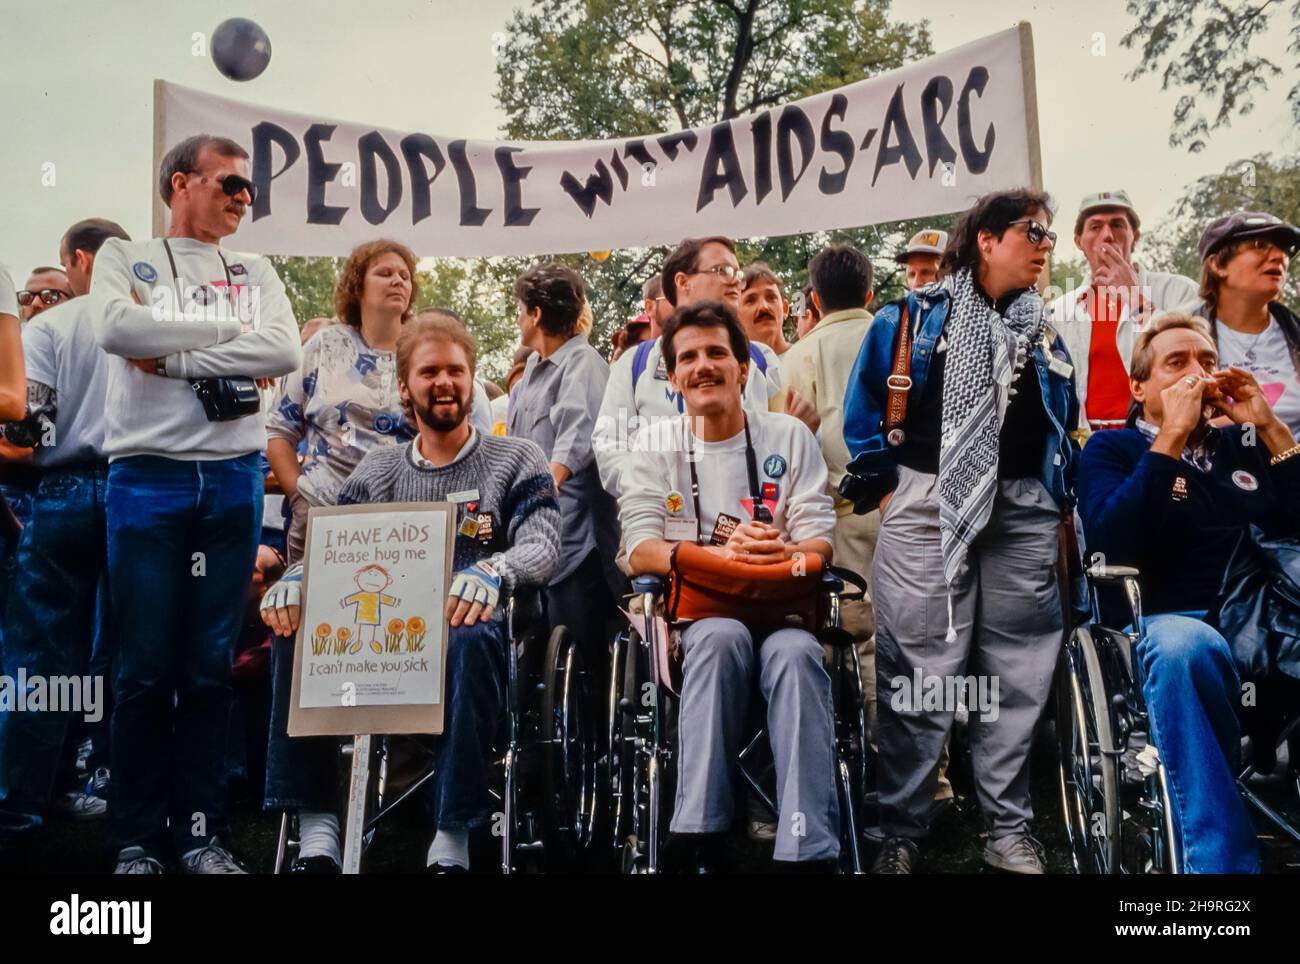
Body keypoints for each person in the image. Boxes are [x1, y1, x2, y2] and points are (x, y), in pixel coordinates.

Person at [259, 314, 560, 873]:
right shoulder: (379, 469)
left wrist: (493, 570)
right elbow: (333, 547)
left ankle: (452, 833)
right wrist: (299, 579)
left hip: (472, 630)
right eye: (429, 372)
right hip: (384, 635)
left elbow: (542, 545)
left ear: (471, 379)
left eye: (456, 371)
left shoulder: (517, 459)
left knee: (469, 632)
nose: (444, 382)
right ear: (405, 386)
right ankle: (318, 825)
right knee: (293, 628)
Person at [841, 188, 1081, 874]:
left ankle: (1008, 828)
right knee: (920, 668)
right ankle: (902, 827)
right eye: (1033, 231)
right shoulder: (909, 317)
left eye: (1049, 234)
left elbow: (1065, 417)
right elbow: (863, 414)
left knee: (1017, 669)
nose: (1045, 245)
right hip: (926, 501)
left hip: (1022, 507)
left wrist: (1052, 493)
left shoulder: (1043, 328)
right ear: (986, 239)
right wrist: (894, 488)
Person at [90, 133, 301, 874]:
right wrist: (233, 330)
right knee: (145, 668)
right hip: (147, 475)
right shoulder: (125, 256)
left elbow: (283, 350)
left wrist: (173, 352)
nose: (245, 197)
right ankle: (135, 839)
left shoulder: (254, 267)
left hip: (234, 475)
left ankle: (201, 835)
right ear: (181, 183)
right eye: (230, 183)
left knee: (209, 666)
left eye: (250, 188)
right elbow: (115, 327)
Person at [619, 300, 840, 871]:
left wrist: (784, 551)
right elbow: (639, 548)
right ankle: (700, 831)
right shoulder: (655, 443)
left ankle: (807, 843)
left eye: (716, 353)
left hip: (782, 608)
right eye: (688, 358)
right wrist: (718, 556)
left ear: (743, 368)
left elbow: (819, 540)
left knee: (797, 656)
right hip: (700, 618)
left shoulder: (788, 436)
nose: (703, 367)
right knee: (720, 639)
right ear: (673, 377)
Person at [1077, 311, 1300, 872]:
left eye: (1207, 360)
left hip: (1267, 620)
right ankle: (1220, 868)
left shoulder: (1243, 447)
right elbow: (1111, 542)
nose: (1197, 373)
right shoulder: (1112, 450)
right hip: (1171, 622)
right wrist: (1171, 438)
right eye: (1176, 363)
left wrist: (1270, 426)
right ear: (1138, 388)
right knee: (1185, 647)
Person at [0, 218, 131, 839]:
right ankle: (116, 794)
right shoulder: (150, 322)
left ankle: (20, 804)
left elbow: (29, 428)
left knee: (39, 658)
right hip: (140, 490)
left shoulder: (51, 326)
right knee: (128, 653)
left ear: (78, 259)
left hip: (63, 492)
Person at [593, 236, 791, 501]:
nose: (735, 281)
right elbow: (610, 446)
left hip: (746, 518)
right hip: (659, 518)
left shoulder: (763, 360)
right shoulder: (634, 364)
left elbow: (784, 444)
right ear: (683, 282)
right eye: (723, 270)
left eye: (738, 273)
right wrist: (664, 491)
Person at [266, 240, 420, 564]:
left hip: (406, 524)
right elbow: (278, 429)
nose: (398, 281)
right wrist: (299, 496)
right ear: (357, 286)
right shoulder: (324, 346)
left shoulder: (424, 350)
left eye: (405, 276)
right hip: (323, 516)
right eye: (385, 273)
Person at [780, 245, 879, 729]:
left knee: (861, 637)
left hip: (839, 516)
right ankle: (930, 763)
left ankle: (875, 749)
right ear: (870, 293)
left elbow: (790, 446)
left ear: (815, 300)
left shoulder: (797, 356)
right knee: (918, 635)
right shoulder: (901, 339)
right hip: (911, 509)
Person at [508, 264, 620, 653]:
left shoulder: (584, 362)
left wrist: (543, 489)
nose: (518, 319)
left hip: (577, 542)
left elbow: (577, 437)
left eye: (520, 310)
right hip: (532, 537)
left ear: (536, 314)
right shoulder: (531, 371)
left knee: (578, 653)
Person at [1049, 190, 1198, 432]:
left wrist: (1134, 296)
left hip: (1163, 438)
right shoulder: (1058, 311)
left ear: (1135, 236)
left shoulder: (1178, 291)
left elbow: (1191, 359)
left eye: (1117, 224)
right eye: (1095, 227)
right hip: (1089, 446)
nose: (1107, 235)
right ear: (1079, 241)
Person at [1184, 211, 1300, 438]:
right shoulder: (1180, 338)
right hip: (1217, 460)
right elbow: (1159, 423)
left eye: (1285, 250)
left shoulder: (1295, 333)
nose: (1279, 256)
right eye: (1259, 245)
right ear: (1217, 264)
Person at [739, 262, 792, 355]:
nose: (763, 307)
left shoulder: (810, 358)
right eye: (751, 300)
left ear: (785, 308)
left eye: (771, 297)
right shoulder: (731, 364)